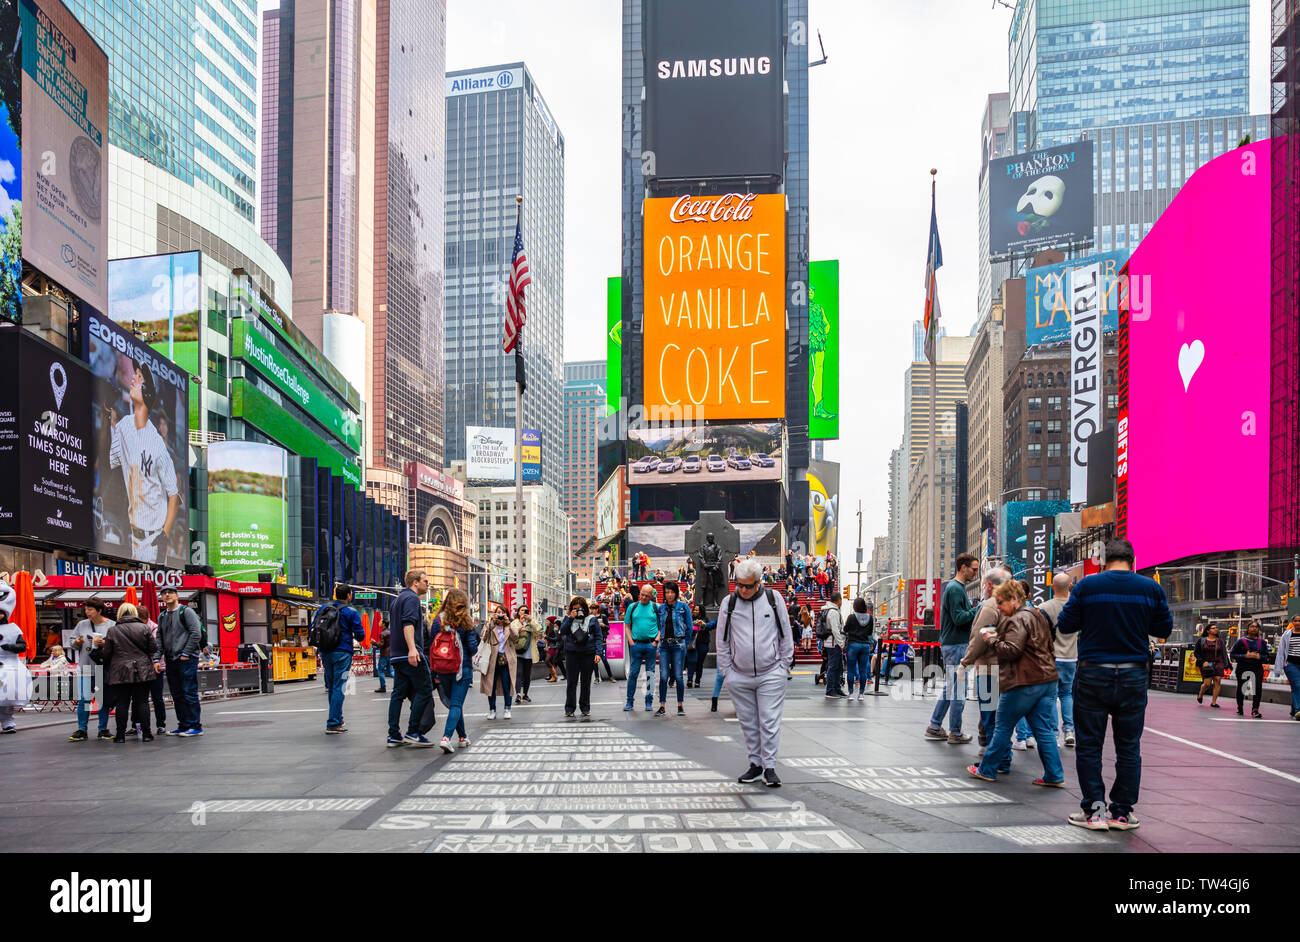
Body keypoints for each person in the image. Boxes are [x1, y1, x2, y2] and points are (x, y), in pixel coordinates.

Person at [1056, 538, 1173, 830]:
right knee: (1129, 747)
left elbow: (1066, 625)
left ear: (1103, 560)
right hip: (1133, 675)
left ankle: (1095, 812)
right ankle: (1121, 813)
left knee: (1089, 746)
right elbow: (1163, 628)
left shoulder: (1087, 586)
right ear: (1133, 560)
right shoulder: (1151, 588)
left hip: (1093, 674)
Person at [966, 580, 1064, 786]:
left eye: (1001, 602)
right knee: (1043, 729)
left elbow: (1012, 650)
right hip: (1047, 679)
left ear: (1015, 599)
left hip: (1024, 680)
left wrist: (991, 639)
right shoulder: (1038, 614)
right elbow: (1049, 646)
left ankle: (988, 769)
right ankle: (1054, 775)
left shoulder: (1016, 620)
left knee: (1002, 726)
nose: (999, 607)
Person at [716, 558, 794, 787]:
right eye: (739, 584)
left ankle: (769, 767)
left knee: (769, 721)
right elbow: (722, 641)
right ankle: (755, 764)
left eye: (748, 586)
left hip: (771, 672)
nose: (743, 589)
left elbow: (786, 635)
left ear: (759, 582)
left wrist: (783, 666)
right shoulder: (728, 603)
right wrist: (727, 672)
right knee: (748, 723)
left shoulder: (774, 600)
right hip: (739, 674)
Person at [107, 362, 181, 564]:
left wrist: (164, 535)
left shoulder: (157, 444)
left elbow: (174, 495)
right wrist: (108, 416)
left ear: (146, 393)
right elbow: (111, 462)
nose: (133, 379)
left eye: (138, 378)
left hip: (153, 538)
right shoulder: (124, 426)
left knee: (149, 593)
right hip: (133, 535)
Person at [925, 553, 979, 743]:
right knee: (959, 691)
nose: (975, 573)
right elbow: (959, 618)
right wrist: (977, 609)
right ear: (963, 568)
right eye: (973, 569)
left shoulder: (955, 587)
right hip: (956, 645)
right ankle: (955, 732)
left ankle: (935, 725)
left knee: (952, 687)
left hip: (952, 644)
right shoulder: (956, 589)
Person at [961, 567, 1010, 754]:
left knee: (990, 715)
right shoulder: (1016, 603)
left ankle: (995, 758)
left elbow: (979, 637)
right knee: (999, 716)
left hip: (990, 669)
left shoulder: (990, 605)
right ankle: (997, 752)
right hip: (1007, 668)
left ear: (989, 585)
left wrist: (965, 663)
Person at [386, 570, 435, 747]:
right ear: (415, 582)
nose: (427, 585)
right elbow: (408, 624)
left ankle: (393, 734)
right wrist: (413, 649)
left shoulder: (397, 600)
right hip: (410, 654)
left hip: (397, 655)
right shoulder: (412, 599)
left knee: (398, 694)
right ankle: (413, 731)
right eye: (425, 581)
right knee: (425, 689)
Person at [100, 603, 160, 742]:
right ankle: (146, 734)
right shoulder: (144, 627)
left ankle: (120, 735)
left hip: (120, 670)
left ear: (119, 613)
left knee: (122, 703)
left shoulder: (113, 630)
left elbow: (107, 653)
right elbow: (153, 648)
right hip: (142, 669)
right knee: (142, 702)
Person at [431, 588, 479, 753]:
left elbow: (432, 646)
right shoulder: (466, 621)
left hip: (443, 668)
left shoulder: (438, 620)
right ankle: (446, 738)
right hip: (462, 668)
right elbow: (473, 648)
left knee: (454, 704)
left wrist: (435, 672)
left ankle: (463, 737)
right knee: (457, 704)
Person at [157, 586, 203, 737]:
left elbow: (196, 633)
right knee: (177, 693)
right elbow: (159, 638)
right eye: (164, 593)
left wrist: (186, 653)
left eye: (170, 592)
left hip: (186, 658)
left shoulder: (186, 611)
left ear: (177, 595)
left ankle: (195, 726)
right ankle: (183, 725)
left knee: (189, 691)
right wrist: (157, 658)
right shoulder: (162, 615)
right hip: (171, 659)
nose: (167, 595)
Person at [319, 585, 365, 734]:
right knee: (339, 686)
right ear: (349, 595)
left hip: (325, 651)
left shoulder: (323, 609)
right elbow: (361, 636)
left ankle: (337, 718)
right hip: (343, 652)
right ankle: (333, 723)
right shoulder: (350, 612)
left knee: (332, 686)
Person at [68, 600, 114, 742]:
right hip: (86, 667)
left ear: (99, 610)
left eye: (90, 610)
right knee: (84, 700)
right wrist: (76, 642)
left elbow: (117, 645)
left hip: (101, 667)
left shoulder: (111, 625)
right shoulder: (82, 624)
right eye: (86, 610)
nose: (87, 612)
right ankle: (82, 729)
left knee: (102, 700)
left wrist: (105, 643)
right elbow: (71, 641)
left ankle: (103, 729)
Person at [1038, 573, 1076, 746]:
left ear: (1052, 587)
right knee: (1067, 694)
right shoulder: (1076, 607)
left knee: (1051, 696)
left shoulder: (1044, 607)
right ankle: (1069, 730)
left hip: (1052, 658)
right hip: (1071, 657)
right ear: (1069, 586)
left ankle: (1054, 733)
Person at [561, 597, 603, 718]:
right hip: (571, 653)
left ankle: (585, 707)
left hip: (588, 653)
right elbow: (562, 631)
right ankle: (569, 708)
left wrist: (598, 653)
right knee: (571, 682)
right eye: (574, 609)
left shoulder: (592, 619)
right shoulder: (568, 618)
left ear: (585, 608)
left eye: (580, 609)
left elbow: (599, 637)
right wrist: (570, 618)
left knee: (586, 682)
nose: (578, 611)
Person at [654, 581, 693, 716]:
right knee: (663, 677)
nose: (669, 595)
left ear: (676, 593)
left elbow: (690, 626)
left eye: (671, 592)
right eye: (667, 592)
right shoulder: (661, 608)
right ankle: (662, 706)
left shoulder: (683, 606)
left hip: (678, 645)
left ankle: (680, 705)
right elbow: (659, 626)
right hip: (664, 645)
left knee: (678, 676)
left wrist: (685, 643)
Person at [624, 583, 659, 712]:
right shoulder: (632, 607)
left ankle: (649, 702)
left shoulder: (656, 607)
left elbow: (662, 626)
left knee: (650, 674)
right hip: (636, 644)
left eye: (646, 596)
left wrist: (656, 641)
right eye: (642, 594)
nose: (643, 597)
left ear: (651, 596)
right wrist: (631, 642)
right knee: (633, 673)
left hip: (651, 644)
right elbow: (627, 625)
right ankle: (629, 701)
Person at [479, 611, 519, 719]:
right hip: (492, 659)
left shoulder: (509, 625)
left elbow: (516, 637)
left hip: (506, 659)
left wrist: (508, 623)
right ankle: (492, 710)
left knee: (507, 685)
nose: (500, 616)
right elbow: (483, 637)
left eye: (502, 613)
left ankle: (507, 709)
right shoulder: (490, 625)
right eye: (498, 613)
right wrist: (492, 622)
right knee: (490, 685)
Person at [1230, 621, 1270, 718]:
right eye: (1252, 626)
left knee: (1257, 688)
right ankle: (1240, 707)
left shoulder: (1262, 642)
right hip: (1243, 667)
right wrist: (1245, 656)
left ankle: (1255, 709)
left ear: (1258, 629)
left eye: (1256, 627)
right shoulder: (1240, 641)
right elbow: (1232, 654)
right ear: (1248, 628)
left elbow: (1266, 656)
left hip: (1257, 667)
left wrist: (1259, 657)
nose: (1254, 628)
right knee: (1242, 688)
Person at [843, 597, 875, 700]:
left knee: (851, 670)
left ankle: (851, 693)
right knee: (863, 670)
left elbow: (845, 629)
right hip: (865, 645)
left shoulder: (851, 617)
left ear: (855, 606)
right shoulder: (870, 618)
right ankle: (861, 694)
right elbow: (870, 633)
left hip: (853, 645)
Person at [1194, 623, 1230, 708]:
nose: (1216, 629)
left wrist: (1226, 664)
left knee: (1217, 680)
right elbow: (1196, 653)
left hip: (1218, 662)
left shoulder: (1220, 641)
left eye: (1216, 628)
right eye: (1213, 628)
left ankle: (1213, 702)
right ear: (1208, 630)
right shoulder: (1201, 641)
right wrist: (1203, 662)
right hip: (1206, 663)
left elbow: (1224, 653)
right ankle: (1201, 693)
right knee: (1207, 684)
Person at [1271, 614, 1300, 720]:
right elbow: (1281, 652)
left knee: (1295, 687)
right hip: (1291, 665)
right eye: (1295, 621)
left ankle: (1293, 710)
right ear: (1292, 622)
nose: (1297, 623)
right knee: (1297, 685)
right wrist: (1278, 668)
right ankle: (1298, 710)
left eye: (1299, 621)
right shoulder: (1287, 635)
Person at [512, 605, 542, 703]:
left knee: (527, 675)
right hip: (518, 652)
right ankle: (518, 694)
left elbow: (539, 630)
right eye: (522, 610)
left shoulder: (531, 622)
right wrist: (521, 623)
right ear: (518, 612)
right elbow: (513, 633)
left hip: (529, 653)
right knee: (519, 673)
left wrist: (531, 620)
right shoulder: (515, 622)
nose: (524, 612)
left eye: (526, 610)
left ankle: (525, 694)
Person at [821, 592, 846, 699]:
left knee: (838, 666)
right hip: (833, 643)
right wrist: (841, 643)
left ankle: (837, 688)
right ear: (839, 600)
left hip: (830, 642)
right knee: (833, 666)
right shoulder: (833, 612)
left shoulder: (828, 610)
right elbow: (835, 629)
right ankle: (830, 690)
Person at [686, 602, 712, 688]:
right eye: (694, 610)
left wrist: (701, 624)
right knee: (691, 661)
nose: (695, 611)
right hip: (692, 643)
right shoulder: (690, 619)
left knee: (699, 663)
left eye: (697, 610)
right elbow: (686, 628)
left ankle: (697, 681)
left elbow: (708, 627)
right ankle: (689, 679)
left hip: (702, 643)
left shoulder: (705, 619)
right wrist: (692, 624)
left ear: (701, 611)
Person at [373, 611, 392, 694]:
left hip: (384, 654)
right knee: (391, 671)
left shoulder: (383, 634)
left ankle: (383, 686)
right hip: (391, 654)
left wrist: (374, 643)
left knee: (381, 670)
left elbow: (381, 645)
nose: (379, 623)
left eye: (380, 622)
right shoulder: (391, 632)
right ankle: (401, 685)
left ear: (384, 624)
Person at [544, 616, 565, 682]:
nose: (546, 622)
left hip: (555, 648)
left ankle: (553, 676)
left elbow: (557, 639)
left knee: (549, 661)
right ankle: (553, 676)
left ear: (550, 622)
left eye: (547, 621)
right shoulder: (548, 629)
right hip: (551, 647)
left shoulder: (554, 630)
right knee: (553, 662)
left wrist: (547, 637)